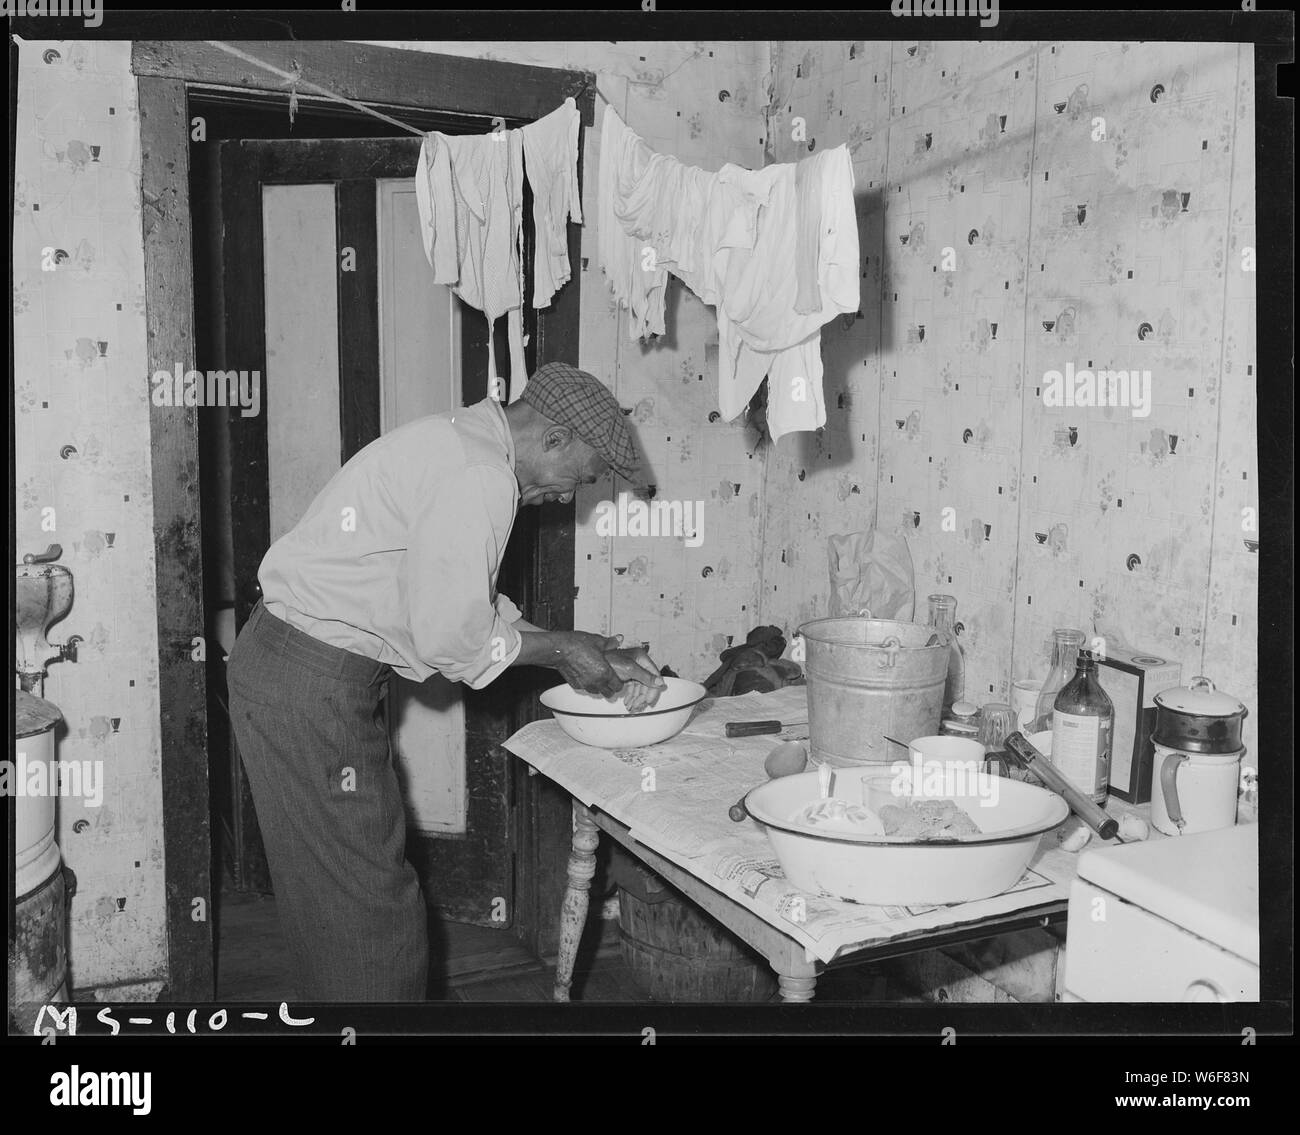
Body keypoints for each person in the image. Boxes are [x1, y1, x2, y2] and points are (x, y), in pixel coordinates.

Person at [225, 362, 665, 1000]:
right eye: (579, 476)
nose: (570, 494)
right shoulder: (481, 475)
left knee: (336, 892)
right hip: (309, 681)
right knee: (368, 902)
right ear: (555, 439)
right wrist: (563, 652)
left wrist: (587, 647)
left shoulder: (466, 441)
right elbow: (453, 637)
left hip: (293, 668)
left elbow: (460, 594)